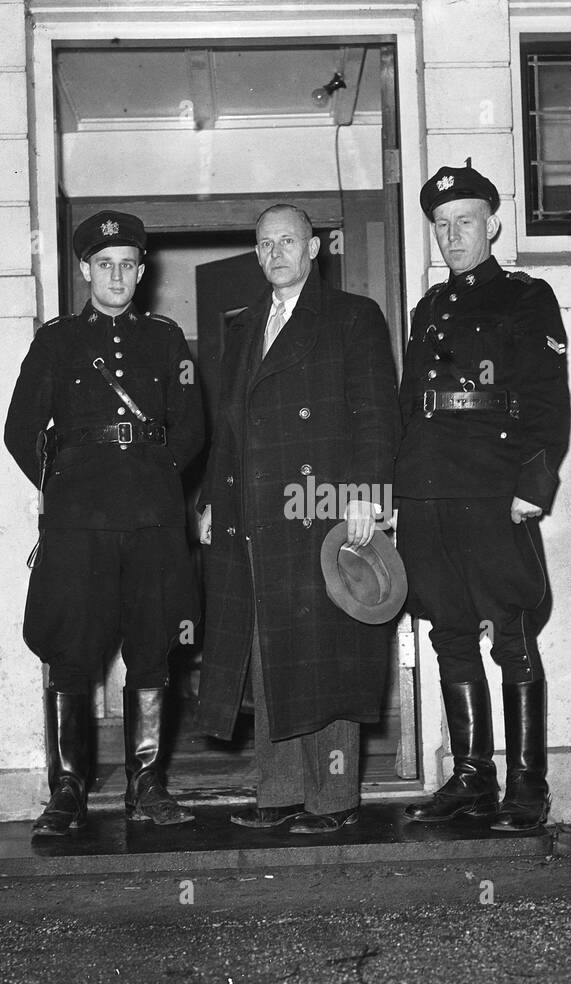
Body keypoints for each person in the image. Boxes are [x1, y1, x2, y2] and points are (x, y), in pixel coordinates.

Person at [196, 203, 400, 834]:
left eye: (288, 241)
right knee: (266, 653)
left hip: (320, 511)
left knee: (325, 654)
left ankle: (332, 799)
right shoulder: (243, 327)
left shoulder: (352, 318)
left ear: (315, 249)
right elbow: (227, 427)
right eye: (263, 244)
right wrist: (211, 499)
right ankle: (279, 791)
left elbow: (376, 414)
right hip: (256, 514)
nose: (275, 252)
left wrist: (367, 495)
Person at [5, 211, 204, 837]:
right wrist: (64, 489)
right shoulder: (56, 342)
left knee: (152, 649)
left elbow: (193, 426)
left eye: (128, 265)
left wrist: (154, 476)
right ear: (86, 270)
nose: (116, 275)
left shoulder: (167, 340)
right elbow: (18, 431)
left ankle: (147, 782)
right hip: (79, 525)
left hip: (152, 522)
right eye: (104, 264)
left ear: (142, 273)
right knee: (71, 652)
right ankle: (68, 786)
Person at [396, 162, 571, 832]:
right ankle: (473, 775)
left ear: (492, 224)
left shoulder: (527, 298)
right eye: (441, 225)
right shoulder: (428, 310)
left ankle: (528, 786)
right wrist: (397, 486)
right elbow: (410, 404)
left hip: (495, 486)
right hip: (429, 486)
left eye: (464, 220)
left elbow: (548, 398)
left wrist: (534, 482)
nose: (452, 234)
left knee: (515, 630)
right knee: (450, 630)